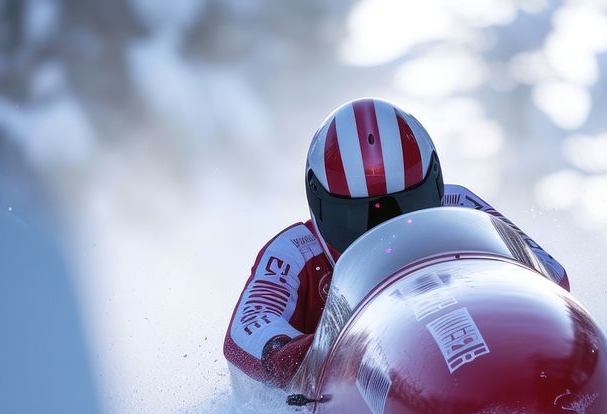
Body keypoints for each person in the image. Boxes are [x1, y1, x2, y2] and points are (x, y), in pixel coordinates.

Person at [224, 98, 569, 387]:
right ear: (321, 203)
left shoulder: (459, 205)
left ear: (433, 183)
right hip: (351, 394)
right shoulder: (294, 252)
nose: (386, 233)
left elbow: (549, 274)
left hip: (464, 357)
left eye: (406, 205)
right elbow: (247, 331)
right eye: (360, 216)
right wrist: (315, 353)